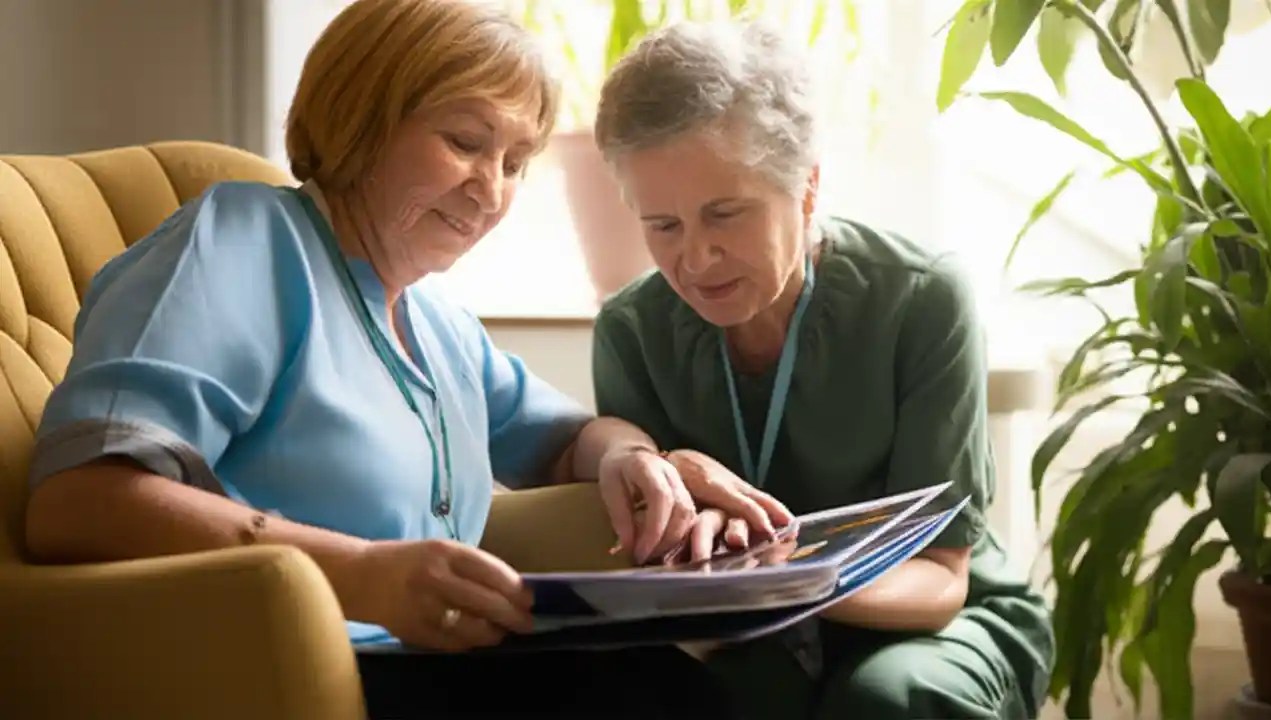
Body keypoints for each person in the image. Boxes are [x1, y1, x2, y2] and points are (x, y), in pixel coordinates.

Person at [22, 1, 788, 717]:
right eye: (464, 142)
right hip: (269, 677)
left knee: (686, 689)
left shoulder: (435, 319)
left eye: (516, 162)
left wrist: (636, 458)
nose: (490, 191)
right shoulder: (243, 243)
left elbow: (560, 440)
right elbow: (79, 501)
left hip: (434, 664)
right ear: (362, 118)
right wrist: (360, 572)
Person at [591, 18, 1056, 720]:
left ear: (807, 188)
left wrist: (793, 580)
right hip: (751, 635)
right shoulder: (632, 330)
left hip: (928, 620)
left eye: (725, 214)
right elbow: (667, 585)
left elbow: (941, 579)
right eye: (663, 225)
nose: (696, 257)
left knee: (884, 699)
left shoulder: (922, 300)